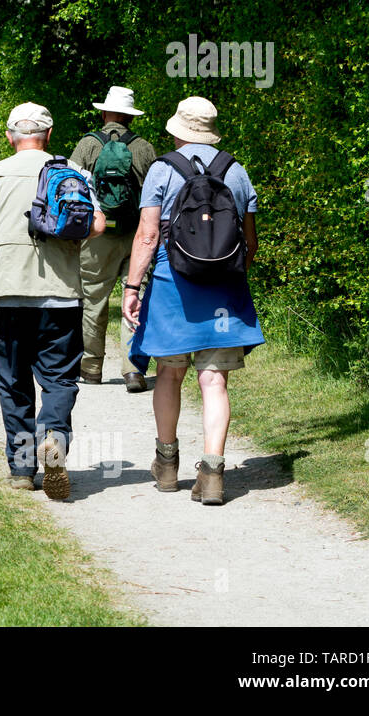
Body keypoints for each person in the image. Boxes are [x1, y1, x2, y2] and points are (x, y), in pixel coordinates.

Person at [121, 96, 263, 506]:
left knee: (168, 373)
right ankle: (213, 473)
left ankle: (167, 466)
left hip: (172, 282)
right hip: (224, 284)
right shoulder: (236, 171)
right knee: (214, 380)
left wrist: (132, 288)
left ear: (178, 130)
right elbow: (249, 243)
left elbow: (147, 235)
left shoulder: (162, 170)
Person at [0, 103, 105, 500]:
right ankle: (54, 438)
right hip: (62, 295)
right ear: (49, 134)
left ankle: (22, 469)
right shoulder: (73, 173)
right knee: (60, 378)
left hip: (8, 294)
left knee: (13, 382)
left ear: (10, 136)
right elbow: (96, 224)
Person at [68, 86, 158, 391]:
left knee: (93, 299)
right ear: (130, 117)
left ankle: (91, 368)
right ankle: (133, 369)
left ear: (104, 112)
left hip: (97, 234)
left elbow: (70, 189)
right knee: (137, 297)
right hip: (137, 235)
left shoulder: (87, 145)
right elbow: (156, 195)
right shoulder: (144, 148)